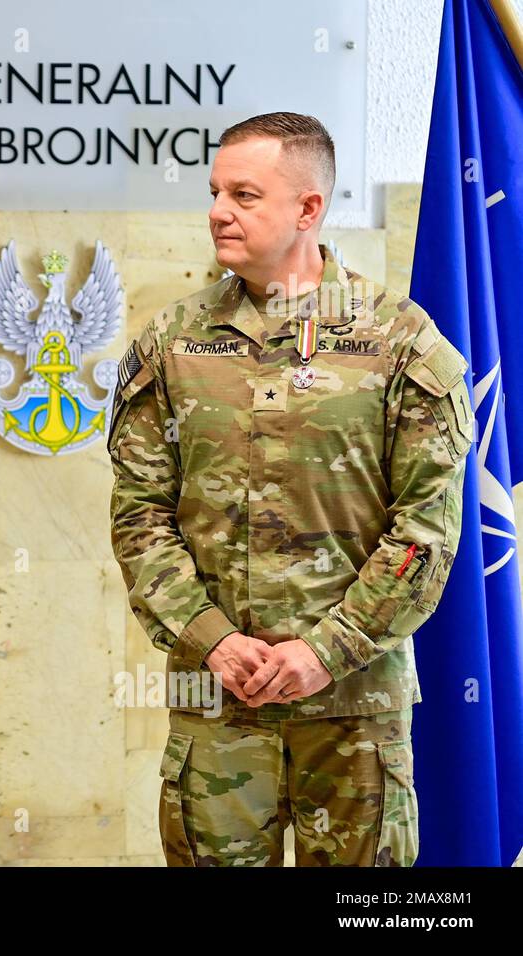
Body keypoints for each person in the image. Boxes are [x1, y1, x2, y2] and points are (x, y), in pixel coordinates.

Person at [108, 112, 473, 866]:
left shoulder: (400, 342)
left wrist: (325, 651)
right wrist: (212, 640)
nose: (217, 211)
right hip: (218, 708)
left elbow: (425, 534)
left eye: (244, 194)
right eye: (214, 191)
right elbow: (140, 519)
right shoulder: (172, 344)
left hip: (353, 713)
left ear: (308, 208)